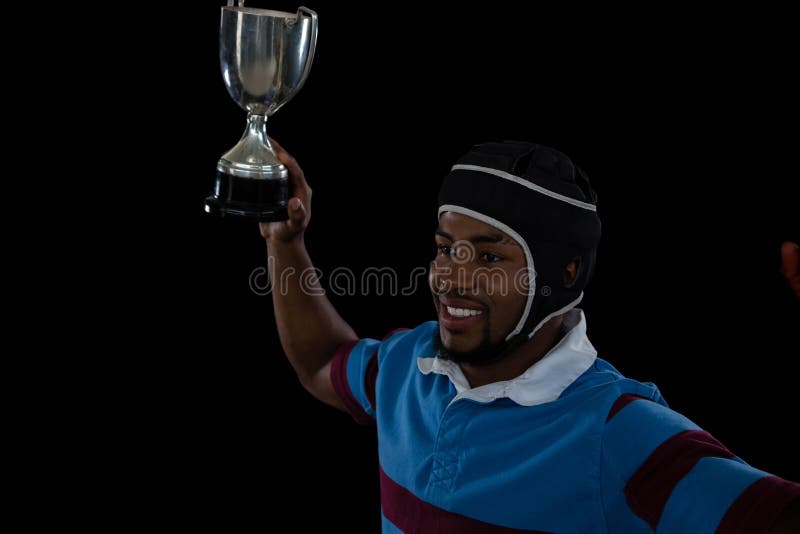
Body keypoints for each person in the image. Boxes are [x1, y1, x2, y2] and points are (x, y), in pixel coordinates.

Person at [260, 139, 800, 533]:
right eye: (446, 248)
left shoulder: (623, 434)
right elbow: (320, 362)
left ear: (564, 274)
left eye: (490, 255)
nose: (451, 276)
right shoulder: (408, 363)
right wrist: (287, 243)